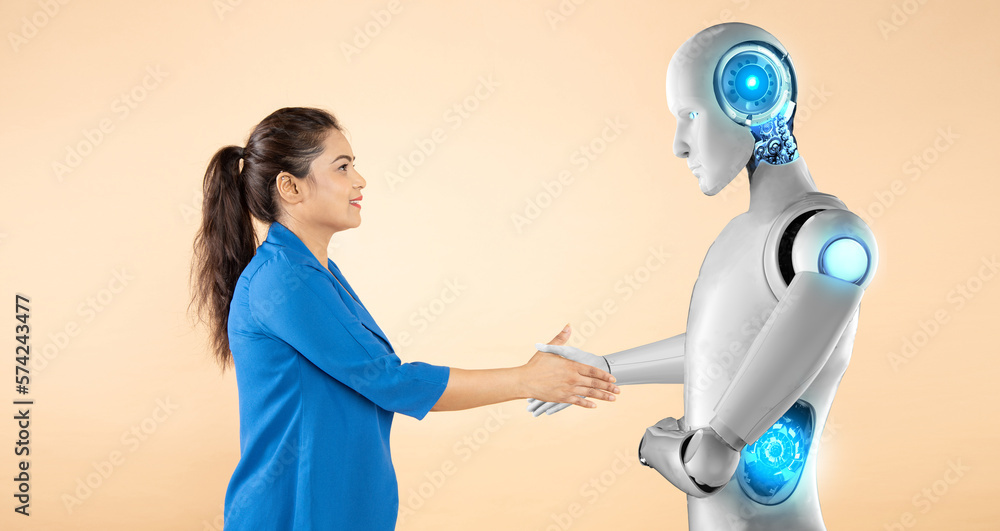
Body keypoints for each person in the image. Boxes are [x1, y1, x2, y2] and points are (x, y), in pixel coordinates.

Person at [188, 107, 620, 530]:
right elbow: (388, 381)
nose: (359, 181)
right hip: (294, 512)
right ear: (290, 187)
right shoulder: (282, 280)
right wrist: (525, 380)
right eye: (342, 168)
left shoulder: (314, 274)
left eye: (354, 166)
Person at [527, 23, 877, 530]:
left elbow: (709, 462)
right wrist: (602, 366)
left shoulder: (830, 241)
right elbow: (724, 352)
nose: (679, 145)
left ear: (753, 92)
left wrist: (655, 445)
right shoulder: (746, 236)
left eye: (690, 115)